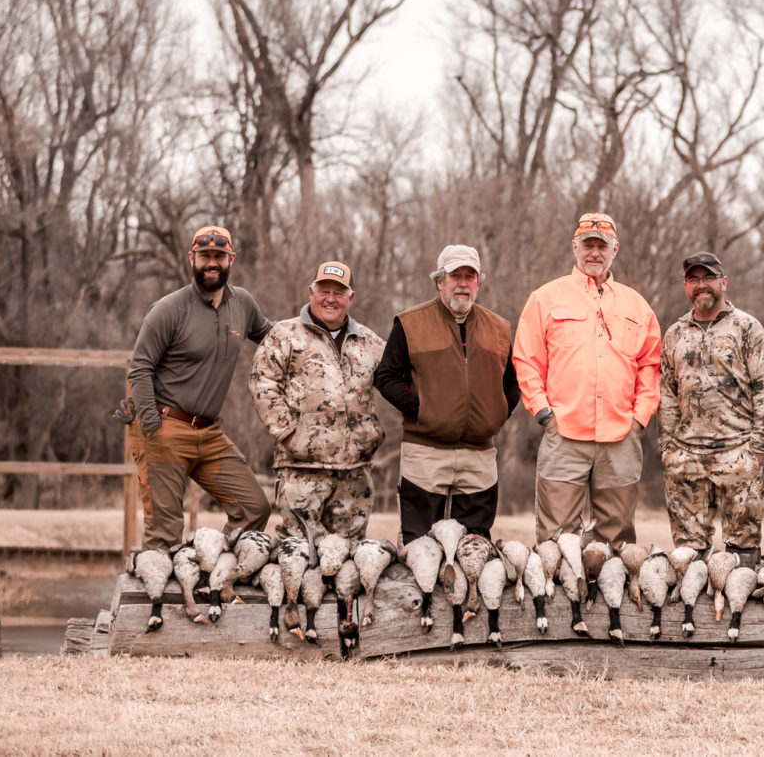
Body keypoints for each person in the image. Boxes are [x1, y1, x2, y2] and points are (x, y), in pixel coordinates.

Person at [513, 212, 661, 546]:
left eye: (602, 246)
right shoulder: (545, 298)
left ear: (615, 249)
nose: (594, 253)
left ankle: (611, 582)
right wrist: (544, 412)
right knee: (555, 540)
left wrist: (639, 418)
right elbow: (526, 360)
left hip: (620, 437)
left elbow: (651, 365)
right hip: (563, 434)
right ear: (574, 247)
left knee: (618, 540)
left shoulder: (637, 306)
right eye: (587, 245)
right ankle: (558, 583)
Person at [125, 225, 274, 550]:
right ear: (192, 258)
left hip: (209, 434)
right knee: (164, 534)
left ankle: (213, 571)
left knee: (254, 508)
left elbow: (271, 336)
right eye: (205, 256)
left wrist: (312, 325)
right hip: (165, 429)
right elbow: (139, 368)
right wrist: (152, 428)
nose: (212, 263)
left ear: (231, 259)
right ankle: (158, 585)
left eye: (219, 256)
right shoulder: (169, 309)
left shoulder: (242, 303)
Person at [374, 244, 520, 543]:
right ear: (439, 281)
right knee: (419, 544)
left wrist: (496, 414)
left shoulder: (499, 328)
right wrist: (422, 410)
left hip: (480, 457)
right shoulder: (410, 323)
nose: (463, 283)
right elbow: (386, 376)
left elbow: (513, 381)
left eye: (470, 276)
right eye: (455, 276)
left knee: (475, 547)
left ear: (479, 283)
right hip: (425, 455)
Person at [249, 260, 386, 540]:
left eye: (339, 292)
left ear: (351, 297)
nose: (330, 299)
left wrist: (372, 435)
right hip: (301, 472)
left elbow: (397, 380)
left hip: (355, 476)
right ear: (311, 292)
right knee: (300, 555)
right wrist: (289, 434)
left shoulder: (369, 342)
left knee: (350, 559)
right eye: (324, 291)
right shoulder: (284, 335)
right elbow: (263, 383)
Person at [658, 252, 764, 565]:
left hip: (737, 453)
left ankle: (743, 595)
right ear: (686, 286)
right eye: (694, 279)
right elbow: (667, 392)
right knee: (688, 557)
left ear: (724, 282)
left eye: (708, 277)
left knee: (743, 552)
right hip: (686, 458)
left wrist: (758, 446)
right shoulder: (675, 333)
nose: (702, 285)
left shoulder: (747, 328)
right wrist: (668, 447)